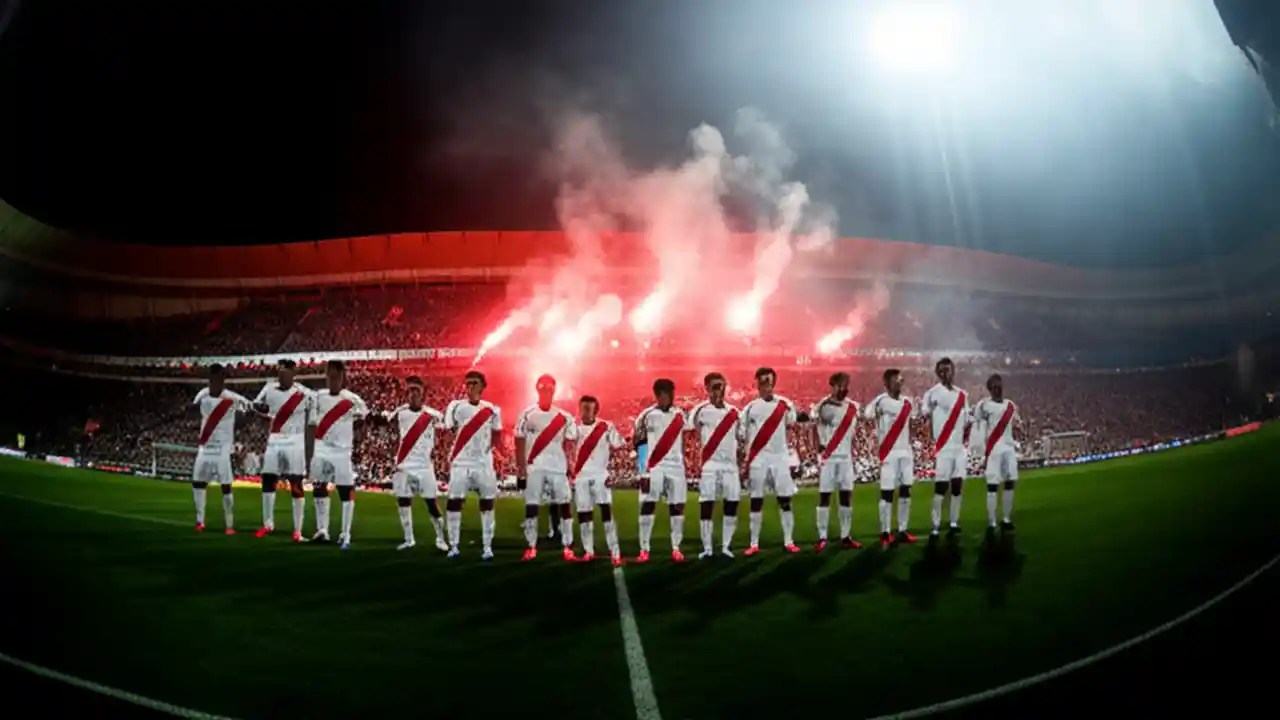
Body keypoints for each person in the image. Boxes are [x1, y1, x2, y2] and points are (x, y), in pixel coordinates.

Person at [515, 374, 579, 562]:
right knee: (531, 506)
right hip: (534, 468)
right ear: (537, 389)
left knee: (565, 505)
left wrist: (571, 466)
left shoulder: (564, 417)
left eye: (549, 388)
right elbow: (518, 441)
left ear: (554, 390)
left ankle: (568, 546)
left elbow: (570, 445)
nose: (546, 391)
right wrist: (520, 469)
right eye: (543, 388)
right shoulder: (527, 414)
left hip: (558, 468)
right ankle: (531, 546)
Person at [251, 359, 315, 541]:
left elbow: (320, 406)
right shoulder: (269, 388)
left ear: (293, 375)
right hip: (275, 439)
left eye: (285, 373)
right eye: (279, 373)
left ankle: (297, 531)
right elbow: (257, 404)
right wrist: (261, 409)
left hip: (294, 441)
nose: (281, 377)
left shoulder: (304, 393)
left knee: (296, 483)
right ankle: (268, 524)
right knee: (268, 479)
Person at [309, 360, 369, 549]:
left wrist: (358, 446)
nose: (332, 379)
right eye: (329, 375)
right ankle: (322, 530)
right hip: (321, 448)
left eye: (336, 375)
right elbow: (311, 425)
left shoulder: (352, 400)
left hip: (342, 451)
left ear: (342, 376)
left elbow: (363, 422)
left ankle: (345, 533)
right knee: (319, 488)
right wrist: (309, 452)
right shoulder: (317, 397)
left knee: (345, 491)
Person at [443, 370, 502, 560]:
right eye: (467, 383)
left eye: (474, 383)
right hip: (461, 463)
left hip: (483, 464)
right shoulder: (455, 406)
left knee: (487, 504)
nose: (470, 387)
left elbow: (497, 435)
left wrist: (484, 452)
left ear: (483, 386)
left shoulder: (492, 410)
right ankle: (454, 545)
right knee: (454, 503)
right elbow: (449, 429)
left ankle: (487, 547)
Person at [740, 367, 800, 555]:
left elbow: (792, 424)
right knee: (756, 501)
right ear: (757, 383)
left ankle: (789, 541)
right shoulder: (749, 408)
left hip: (780, 458)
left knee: (785, 500)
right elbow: (742, 434)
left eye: (770, 381)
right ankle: (754, 543)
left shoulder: (785, 404)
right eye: (763, 381)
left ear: (774, 382)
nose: (767, 384)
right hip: (758, 459)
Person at [388, 375, 449, 552]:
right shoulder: (399, 412)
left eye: (417, 390)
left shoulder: (433, 415)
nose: (413, 394)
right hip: (404, 466)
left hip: (424, 466)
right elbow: (390, 430)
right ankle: (409, 539)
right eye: (410, 390)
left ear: (423, 394)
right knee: (403, 502)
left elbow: (446, 433)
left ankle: (440, 538)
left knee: (432, 503)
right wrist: (395, 458)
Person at [633, 378, 689, 563]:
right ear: (659, 395)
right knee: (648, 505)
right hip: (654, 466)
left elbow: (686, 437)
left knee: (677, 506)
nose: (672, 397)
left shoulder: (680, 414)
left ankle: (676, 548)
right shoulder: (646, 416)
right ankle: (644, 549)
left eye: (672, 392)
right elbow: (640, 443)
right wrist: (643, 472)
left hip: (676, 467)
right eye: (668, 393)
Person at [190, 364, 251, 533]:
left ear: (223, 380)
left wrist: (237, 425)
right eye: (214, 378)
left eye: (220, 379)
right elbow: (194, 409)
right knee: (198, 483)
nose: (216, 382)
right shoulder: (201, 395)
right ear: (210, 379)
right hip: (204, 447)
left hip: (222, 449)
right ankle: (200, 521)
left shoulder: (233, 398)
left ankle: (229, 524)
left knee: (226, 486)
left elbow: (249, 410)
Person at [690, 372, 742, 559]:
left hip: (730, 465)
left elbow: (741, 436)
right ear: (707, 389)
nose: (719, 390)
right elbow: (693, 430)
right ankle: (707, 548)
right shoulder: (700, 411)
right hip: (710, 464)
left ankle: (726, 546)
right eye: (715, 386)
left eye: (721, 385)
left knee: (732, 504)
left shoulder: (734, 412)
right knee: (706, 504)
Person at [570, 395, 625, 565]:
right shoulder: (574, 429)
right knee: (584, 515)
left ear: (596, 410)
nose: (585, 412)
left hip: (601, 476)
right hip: (581, 477)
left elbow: (620, 446)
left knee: (606, 514)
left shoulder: (606, 427)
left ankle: (615, 552)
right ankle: (588, 551)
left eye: (589, 408)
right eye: (583, 408)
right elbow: (569, 451)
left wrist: (613, 473)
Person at [865, 368, 917, 548]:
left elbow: (911, 425)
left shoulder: (908, 403)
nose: (899, 383)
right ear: (887, 383)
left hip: (905, 452)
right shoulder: (880, 401)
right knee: (887, 493)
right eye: (896, 380)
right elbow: (867, 414)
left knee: (905, 491)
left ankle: (902, 530)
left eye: (901, 379)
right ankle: (885, 532)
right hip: (889, 453)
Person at [811, 371, 861, 551]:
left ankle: (846, 536)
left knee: (846, 497)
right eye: (840, 384)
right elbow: (814, 429)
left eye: (846, 384)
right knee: (825, 496)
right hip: (829, 458)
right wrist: (818, 450)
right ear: (831, 386)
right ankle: (822, 537)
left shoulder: (853, 407)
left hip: (846, 458)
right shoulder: (823, 407)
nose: (843, 388)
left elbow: (852, 434)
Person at [921, 357, 971, 539]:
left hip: (959, 448)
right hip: (943, 446)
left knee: (957, 487)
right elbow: (924, 418)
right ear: (937, 373)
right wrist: (928, 438)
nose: (945, 373)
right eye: (941, 371)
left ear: (953, 371)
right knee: (941, 487)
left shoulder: (962, 395)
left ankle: (953, 522)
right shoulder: (931, 394)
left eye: (947, 370)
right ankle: (935, 525)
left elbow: (967, 422)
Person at [974, 373, 1021, 536]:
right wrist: (979, 451)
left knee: (1010, 482)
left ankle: (1006, 519)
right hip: (993, 449)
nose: (998, 390)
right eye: (994, 387)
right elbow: (977, 427)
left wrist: (1018, 433)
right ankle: (992, 522)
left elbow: (1016, 425)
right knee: (992, 485)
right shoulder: (983, 405)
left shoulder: (1011, 406)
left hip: (1008, 448)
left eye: (999, 386)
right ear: (990, 389)